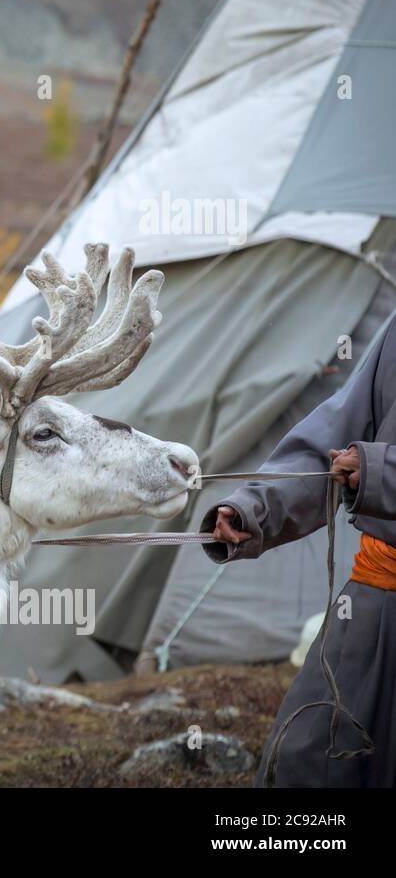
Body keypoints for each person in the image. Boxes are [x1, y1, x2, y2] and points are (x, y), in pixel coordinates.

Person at [203, 313, 396, 786]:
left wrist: (381, 471)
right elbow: (331, 438)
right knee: (307, 758)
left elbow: (372, 464)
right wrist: (255, 509)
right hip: (377, 598)